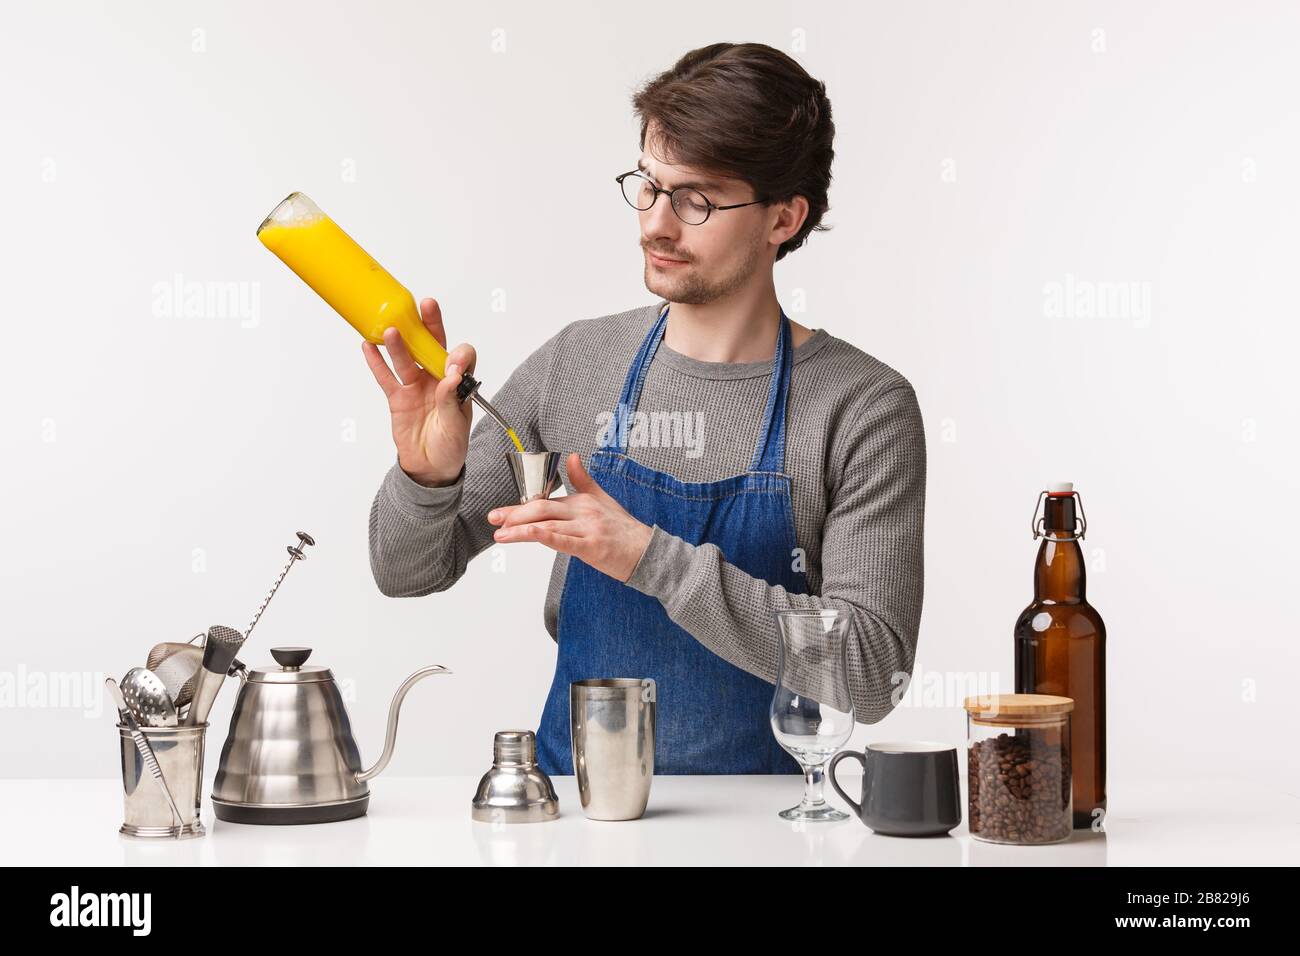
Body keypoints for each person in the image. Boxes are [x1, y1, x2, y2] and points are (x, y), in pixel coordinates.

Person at [365, 42, 926, 776]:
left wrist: (646, 557)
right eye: (649, 186)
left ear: (783, 219)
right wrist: (425, 477)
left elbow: (872, 672)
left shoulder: (862, 407)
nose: (657, 224)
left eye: (697, 200)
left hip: (767, 822)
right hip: (577, 810)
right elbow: (407, 573)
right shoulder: (576, 364)